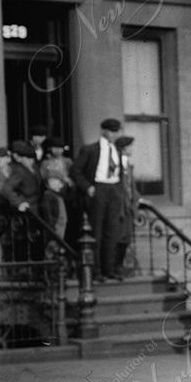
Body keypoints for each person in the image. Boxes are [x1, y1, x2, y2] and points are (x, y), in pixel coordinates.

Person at [73, 118, 126, 281]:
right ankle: (95, 271)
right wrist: (88, 187)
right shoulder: (90, 149)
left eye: (116, 131)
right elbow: (75, 171)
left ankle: (108, 269)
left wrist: (119, 190)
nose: (114, 134)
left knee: (112, 231)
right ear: (103, 131)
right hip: (98, 189)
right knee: (96, 230)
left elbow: (120, 172)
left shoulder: (117, 149)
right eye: (111, 131)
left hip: (114, 189)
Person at [113, 135, 139, 272]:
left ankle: (121, 265)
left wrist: (137, 199)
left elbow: (131, 186)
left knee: (126, 238)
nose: (132, 149)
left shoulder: (127, 164)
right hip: (120, 207)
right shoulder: (117, 163)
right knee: (120, 237)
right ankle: (116, 265)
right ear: (123, 148)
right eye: (130, 146)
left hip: (128, 206)